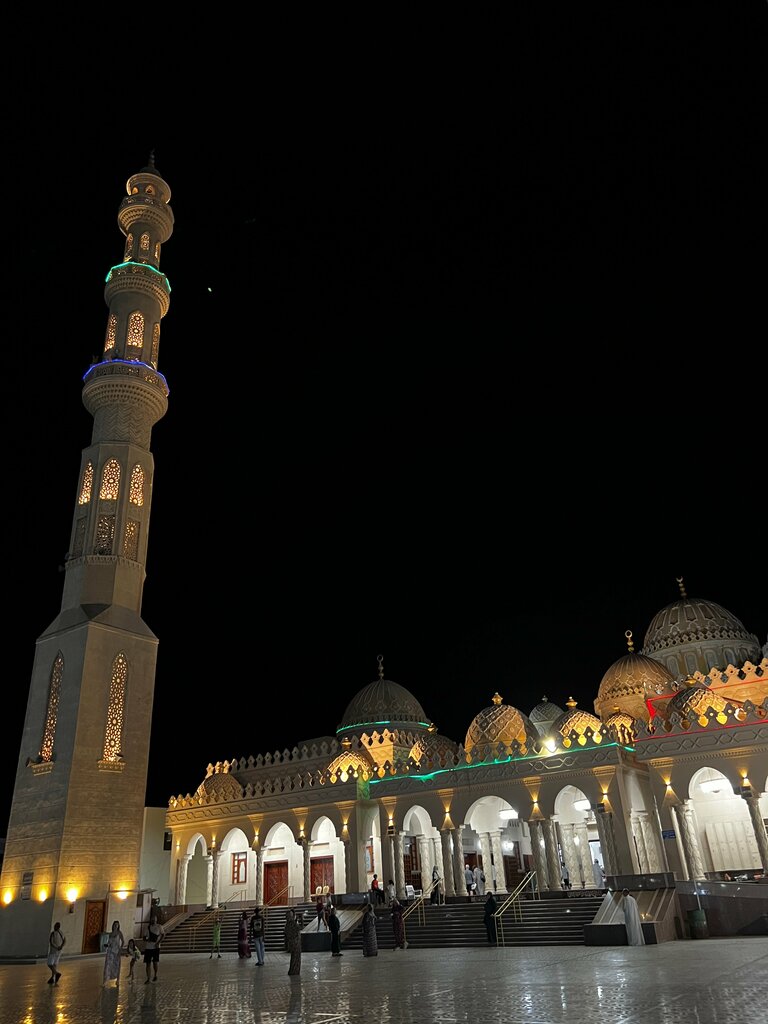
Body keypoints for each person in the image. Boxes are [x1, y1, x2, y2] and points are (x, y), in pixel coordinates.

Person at [143, 913, 165, 982]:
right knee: (148, 963)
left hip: (156, 947)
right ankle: (148, 978)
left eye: (154, 919)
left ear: (156, 919)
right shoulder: (147, 927)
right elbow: (144, 937)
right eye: (152, 919)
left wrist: (158, 943)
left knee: (155, 962)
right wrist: (147, 939)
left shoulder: (159, 927)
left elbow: (163, 935)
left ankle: (155, 975)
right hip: (148, 947)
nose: (153, 920)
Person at [102, 920, 125, 987]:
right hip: (110, 951)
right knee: (107, 965)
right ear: (113, 925)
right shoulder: (110, 934)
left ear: (118, 926)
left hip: (117, 951)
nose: (116, 926)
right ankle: (106, 980)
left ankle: (117, 980)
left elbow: (123, 941)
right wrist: (107, 945)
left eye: (117, 925)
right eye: (115, 924)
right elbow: (109, 943)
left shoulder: (119, 933)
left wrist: (120, 949)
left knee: (117, 965)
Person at [284, 907, 302, 975]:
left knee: (294, 957)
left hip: (293, 943)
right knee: (295, 958)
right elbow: (299, 929)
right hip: (295, 943)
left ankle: (293, 970)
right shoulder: (292, 924)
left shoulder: (288, 924)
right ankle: (294, 970)